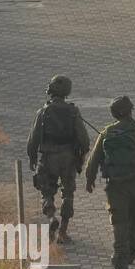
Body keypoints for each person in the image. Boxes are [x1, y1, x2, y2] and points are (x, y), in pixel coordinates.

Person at [85, 97, 135, 269]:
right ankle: (132, 251)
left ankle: (120, 256)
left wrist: (89, 180)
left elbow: (93, 160)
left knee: (119, 220)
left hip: (115, 185)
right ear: (130, 111)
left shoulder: (107, 132)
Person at [26, 75, 90, 244]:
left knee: (47, 191)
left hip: (48, 157)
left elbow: (33, 138)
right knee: (68, 194)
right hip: (68, 158)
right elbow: (84, 139)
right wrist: (81, 155)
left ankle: (51, 217)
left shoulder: (43, 111)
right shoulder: (73, 112)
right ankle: (63, 232)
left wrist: (32, 156)